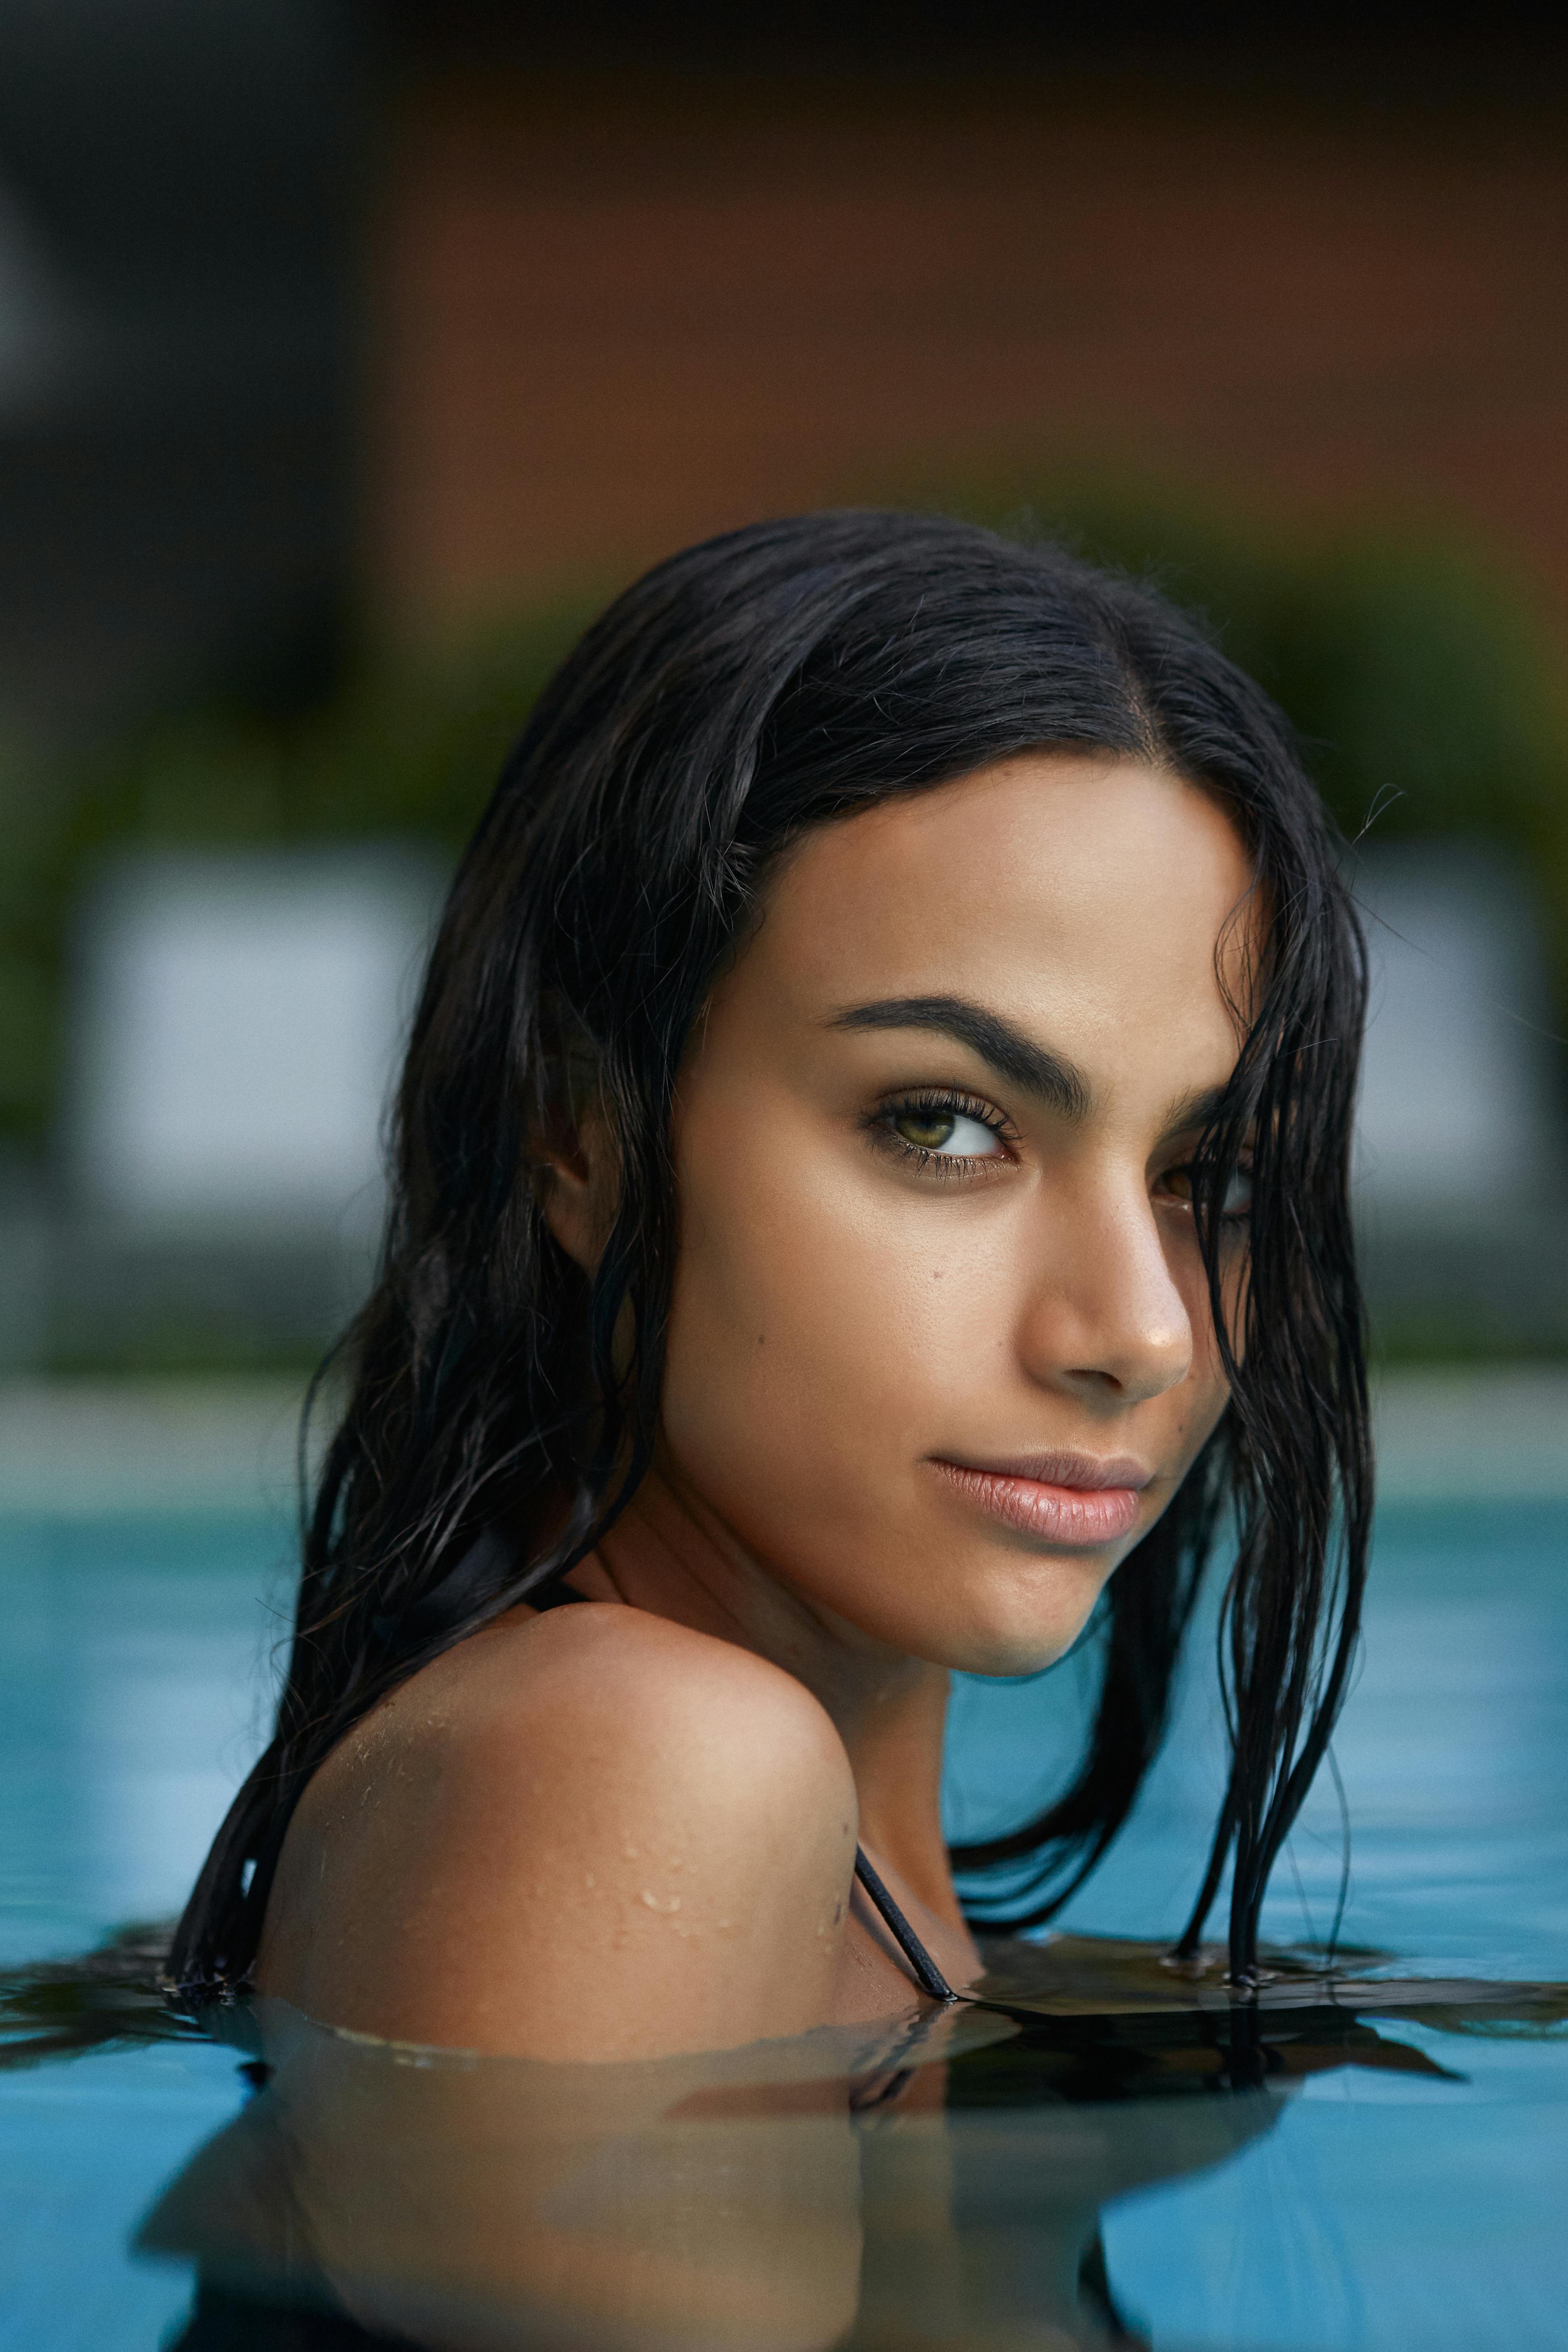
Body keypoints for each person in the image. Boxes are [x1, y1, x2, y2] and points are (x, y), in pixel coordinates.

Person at [171, 511, 1371, 2062]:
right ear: (578, 1137)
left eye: (1214, 1179)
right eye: (940, 1124)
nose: (1139, 1332)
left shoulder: (773, 1839)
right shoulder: (645, 1765)